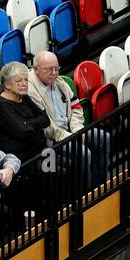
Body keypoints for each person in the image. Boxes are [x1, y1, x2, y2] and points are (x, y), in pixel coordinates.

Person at [26, 51, 111, 184]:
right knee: (83, 153)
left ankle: (99, 184)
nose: (54, 73)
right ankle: (86, 195)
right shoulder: (30, 91)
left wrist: (77, 129)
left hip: (72, 131)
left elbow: (76, 107)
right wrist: (69, 136)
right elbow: (45, 126)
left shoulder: (60, 83)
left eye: (56, 68)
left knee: (103, 137)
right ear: (35, 69)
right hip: (52, 140)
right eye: (49, 69)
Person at [0, 61, 52, 165]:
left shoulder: (24, 97)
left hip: (40, 152)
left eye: (26, 80)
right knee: (62, 173)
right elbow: (23, 131)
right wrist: (32, 124)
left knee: (73, 164)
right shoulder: (2, 105)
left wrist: (26, 122)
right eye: (18, 81)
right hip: (21, 161)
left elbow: (45, 119)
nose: (24, 84)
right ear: (7, 84)